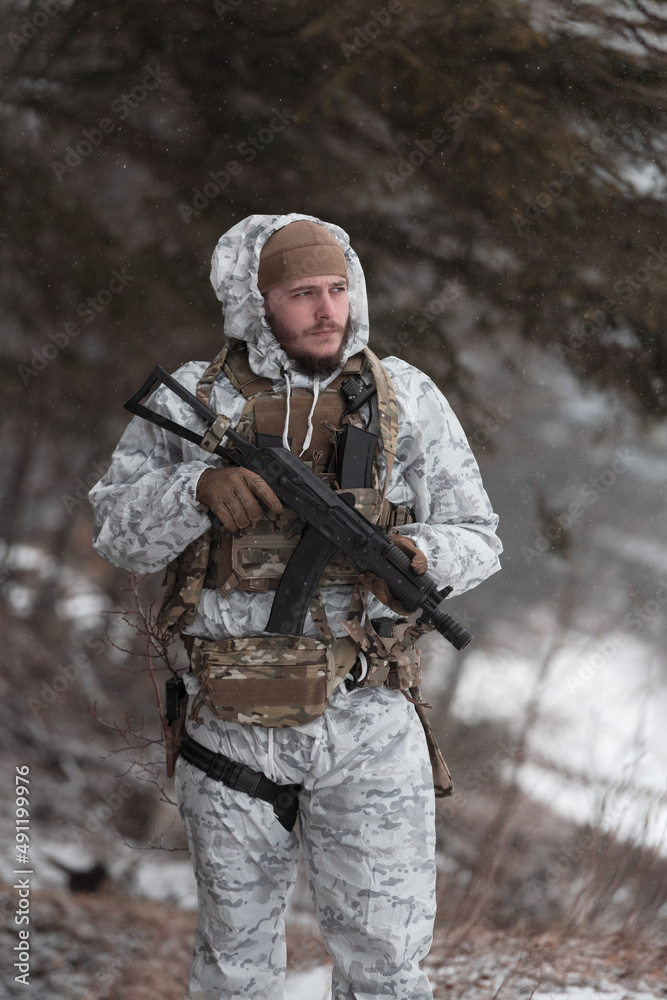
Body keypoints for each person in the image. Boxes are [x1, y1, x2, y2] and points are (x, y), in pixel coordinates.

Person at [89, 213, 502, 1000]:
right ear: (257, 302)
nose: (326, 309)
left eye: (337, 289)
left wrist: (420, 557)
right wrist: (194, 489)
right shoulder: (197, 397)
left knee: (387, 968)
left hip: (369, 719)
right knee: (235, 972)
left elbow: (478, 535)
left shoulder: (403, 397)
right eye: (301, 292)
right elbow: (117, 531)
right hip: (233, 719)